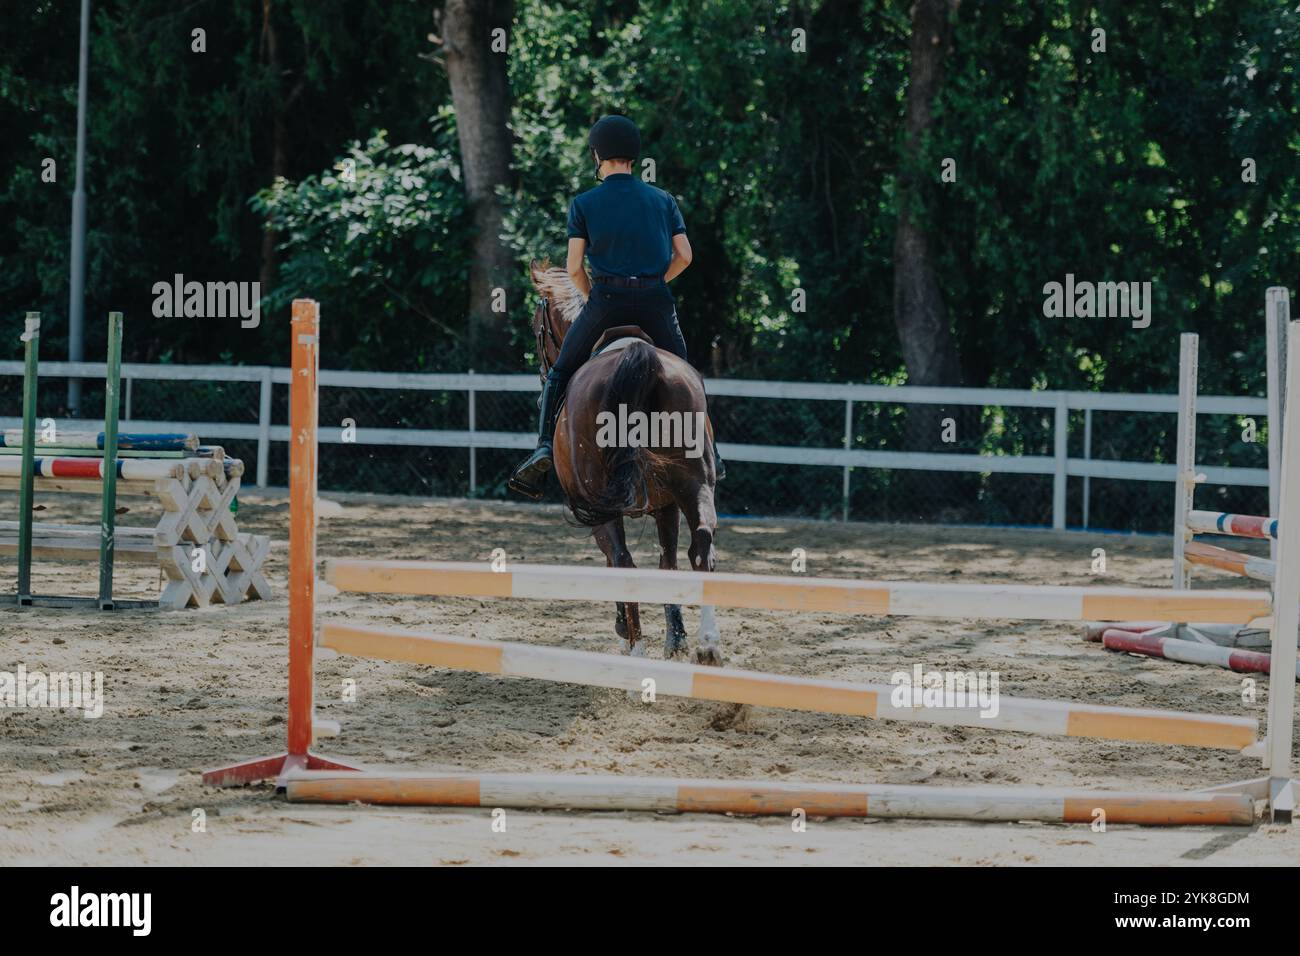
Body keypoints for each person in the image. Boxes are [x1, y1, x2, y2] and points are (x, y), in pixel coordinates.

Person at [509, 114, 722, 499]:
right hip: (656, 301)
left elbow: (573, 267)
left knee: (559, 373)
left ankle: (542, 448)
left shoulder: (584, 203)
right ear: (634, 157)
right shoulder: (663, 200)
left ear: (598, 155)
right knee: (687, 376)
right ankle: (711, 452)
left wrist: (594, 295)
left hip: (607, 299)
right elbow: (685, 256)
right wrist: (656, 283)